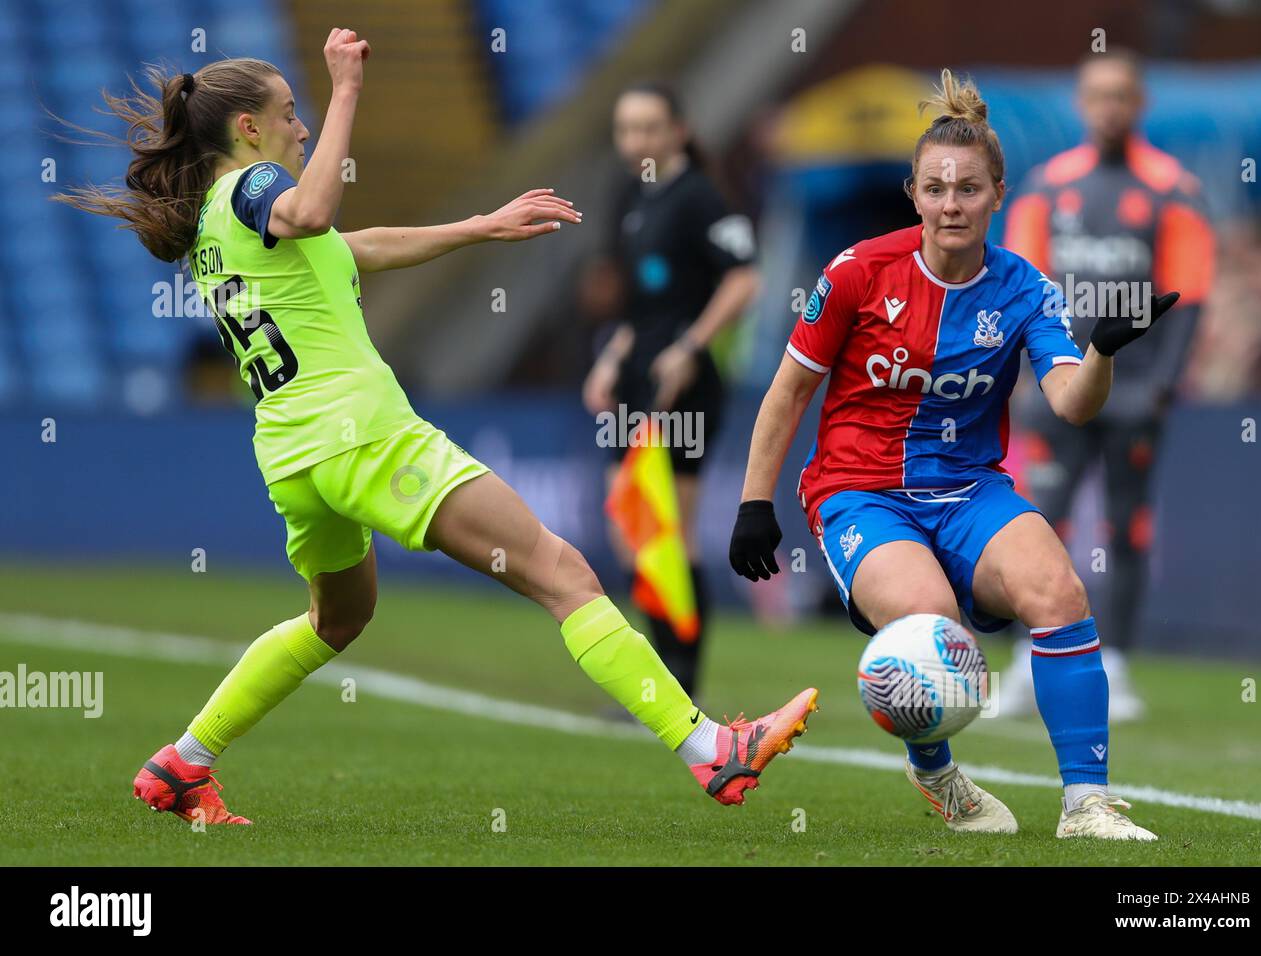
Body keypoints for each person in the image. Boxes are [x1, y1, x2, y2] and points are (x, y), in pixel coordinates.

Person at [56, 30, 816, 825]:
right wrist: (348, 86)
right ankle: (712, 753)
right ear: (248, 129)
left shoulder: (217, 224)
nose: (303, 127)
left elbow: (352, 248)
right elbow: (315, 209)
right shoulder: (260, 188)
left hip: (292, 455)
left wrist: (479, 227)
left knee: (337, 618)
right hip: (363, 435)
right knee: (565, 576)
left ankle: (182, 763)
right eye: (290, 113)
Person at [728, 68, 1179, 841]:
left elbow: (1071, 400)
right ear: (913, 193)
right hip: (860, 491)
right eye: (935, 188)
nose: (950, 204)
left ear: (998, 194)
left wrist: (1102, 352)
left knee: (1060, 590)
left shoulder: (1026, 289)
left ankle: (1088, 806)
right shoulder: (856, 273)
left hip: (970, 490)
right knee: (930, 626)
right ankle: (936, 769)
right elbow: (788, 392)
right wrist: (754, 503)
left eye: (968, 188)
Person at [1001, 48, 1214, 721]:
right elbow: (1019, 289)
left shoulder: (1173, 189)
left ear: (1139, 104)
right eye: (1098, 96)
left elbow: (1192, 296)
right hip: (1060, 385)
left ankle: (1113, 665)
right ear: (1080, 103)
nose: (1109, 108)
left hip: (1135, 391)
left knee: (1127, 526)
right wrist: (1023, 377)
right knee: (1037, 523)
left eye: (1121, 95)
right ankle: (1025, 663)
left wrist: (1164, 385)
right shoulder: (1043, 187)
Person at [581, 81, 760, 698]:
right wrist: (611, 360)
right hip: (634, 379)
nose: (638, 140)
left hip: (684, 386)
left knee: (671, 532)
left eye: (650, 127)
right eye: (627, 129)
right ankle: (658, 674)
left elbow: (743, 280)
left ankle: (684, 681)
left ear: (679, 130)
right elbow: (639, 308)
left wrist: (692, 346)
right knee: (632, 534)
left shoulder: (700, 199)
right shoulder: (630, 195)